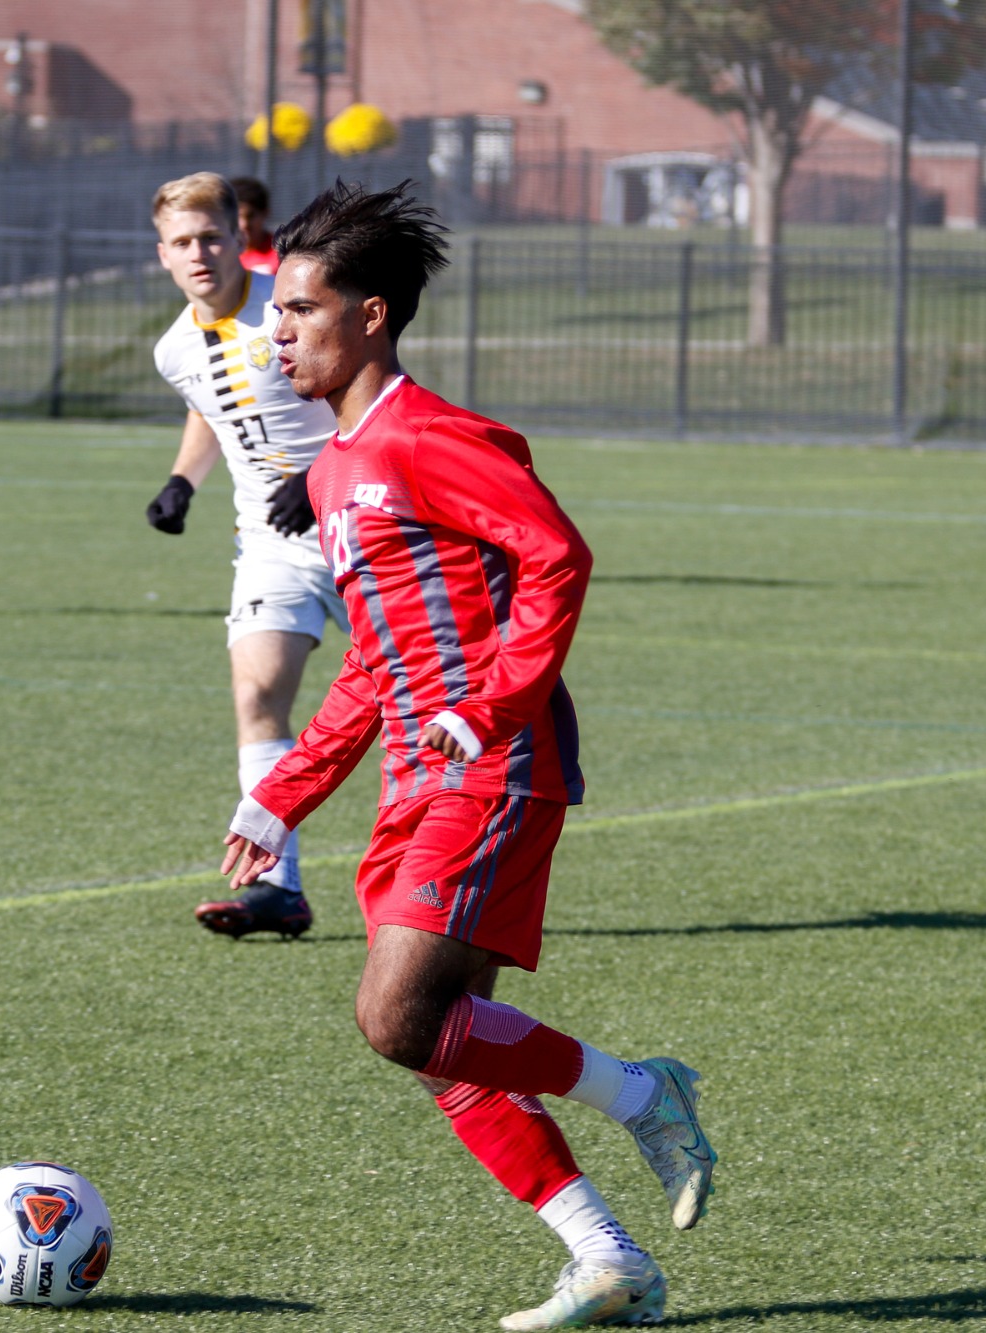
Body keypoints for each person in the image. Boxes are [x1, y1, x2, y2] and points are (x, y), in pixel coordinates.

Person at [220, 181, 716, 1330]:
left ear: (373, 315)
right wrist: (282, 797)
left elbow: (556, 557)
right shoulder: (336, 470)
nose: (276, 330)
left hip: (492, 765)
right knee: (450, 1046)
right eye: (275, 310)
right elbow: (369, 666)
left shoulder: (434, 438)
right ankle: (606, 1259)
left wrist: (490, 706)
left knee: (395, 1015)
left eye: (298, 308)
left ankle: (644, 1095)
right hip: (419, 774)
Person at [146, 172, 346, 939]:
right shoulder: (173, 348)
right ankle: (277, 888)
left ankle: (466, 864)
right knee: (258, 696)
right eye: (182, 242)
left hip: (369, 528)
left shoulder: (289, 308)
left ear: (238, 235)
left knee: (425, 709)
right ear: (161, 254)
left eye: (211, 237)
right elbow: (211, 412)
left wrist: (318, 474)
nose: (199, 253)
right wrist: (179, 481)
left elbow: (373, 399)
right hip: (271, 545)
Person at [231, 175, 279, 275]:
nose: (244, 224)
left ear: (265, 213)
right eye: (238, 216)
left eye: (250, 216)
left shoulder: (282, 252)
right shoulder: (223, 255)